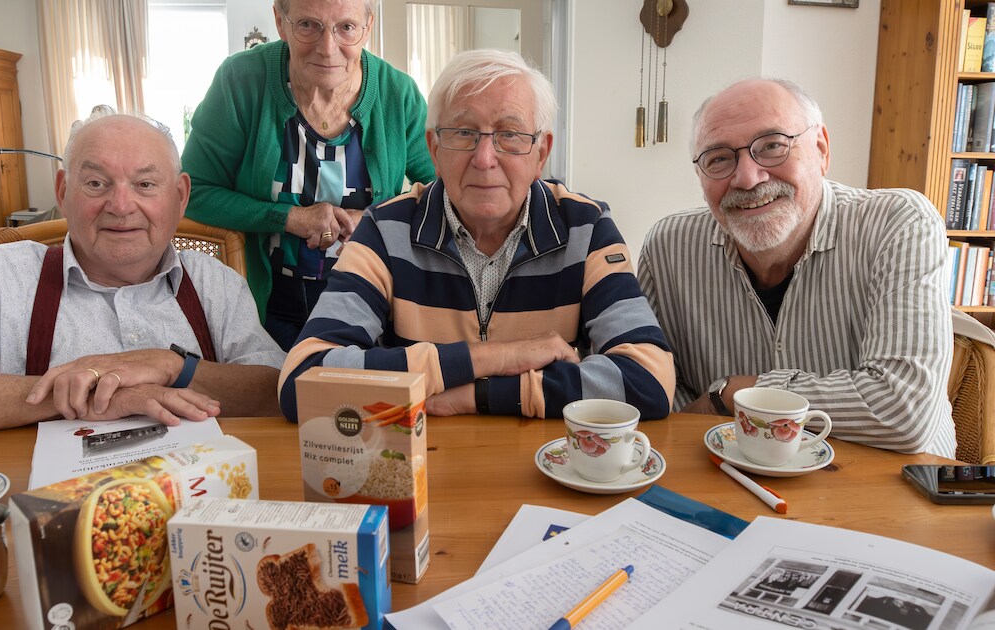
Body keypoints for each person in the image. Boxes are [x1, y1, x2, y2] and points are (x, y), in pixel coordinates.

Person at [0, 111, 286, 440]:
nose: (121, 205)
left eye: (146, 184)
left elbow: (278, 393)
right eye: (96, 183)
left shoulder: (216, 284)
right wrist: (74, 395)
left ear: (180, 196)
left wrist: (172, 367)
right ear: (63, 191)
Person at [277, 49, 676, 421]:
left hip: (552, 470)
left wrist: (478, 395)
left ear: (541, 153)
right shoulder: (384, 229)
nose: (485, 160)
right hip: (425, 468)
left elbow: (649, 380)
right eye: (464, 133)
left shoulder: (586, 228)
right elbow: (303, 380)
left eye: (510, 134)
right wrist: (499, 357)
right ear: (434, 149)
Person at [637, 78, 955, 457]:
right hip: (730, 479)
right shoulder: (667, 248)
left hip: (888, 489)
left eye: (772, 146)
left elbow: (903, 411)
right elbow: (656, 393)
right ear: (700, 175)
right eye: (719, 158)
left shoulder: (899, 224)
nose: (747, 177)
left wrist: (734, 394)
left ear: (820, 149)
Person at [181, 0, 435, 350]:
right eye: (307, 25)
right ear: (280, 22)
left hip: (376, 306)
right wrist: (288, 218)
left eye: (346, 27)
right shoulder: (240, 81)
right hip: (269, 310)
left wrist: (377, 220)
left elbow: (446, 193)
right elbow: (192, 192)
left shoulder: (399, 95)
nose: (327, 48)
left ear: (368, 25)